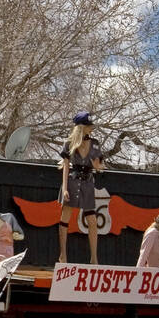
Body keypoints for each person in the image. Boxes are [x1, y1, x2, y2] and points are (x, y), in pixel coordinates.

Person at [58, 111, 105, 264]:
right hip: (72, 180)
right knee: (65, 217)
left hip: (88, 182)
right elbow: (65, 166)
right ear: (82, 127)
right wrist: (65, 188)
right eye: (89, 125)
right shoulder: (69, 143)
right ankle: (63, 255)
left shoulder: (95, 143)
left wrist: (98, 165)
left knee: (92, 219)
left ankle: (94, 258)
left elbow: (99, 166)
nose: (91, 128)